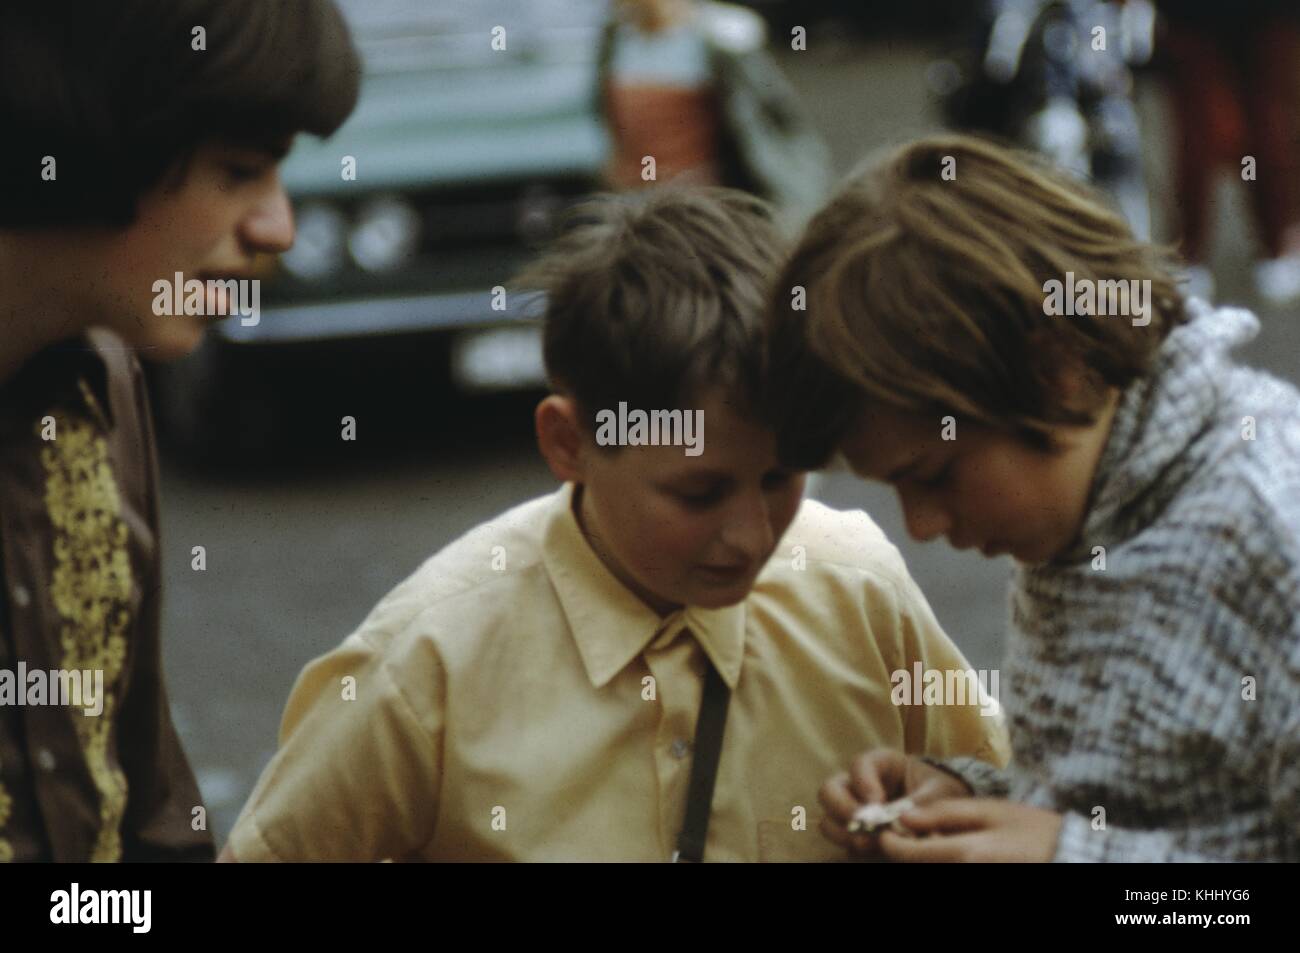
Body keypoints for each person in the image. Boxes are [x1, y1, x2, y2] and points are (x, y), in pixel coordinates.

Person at [220, 188, 1007, 862]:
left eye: (780, 479)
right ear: (570, 443)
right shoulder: (425, 662)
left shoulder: (861, 595)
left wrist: (944, 806)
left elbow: (1014, 803)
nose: (749, 535)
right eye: (698, 493)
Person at [768, 134, 1300, 861]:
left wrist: (1073, 857)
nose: (920, 526)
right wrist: (971, 798)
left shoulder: (1271, 524)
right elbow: (1132, 803)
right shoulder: (1085, 501)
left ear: (1053, 368)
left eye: (934, 474)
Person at [0, 1, 359, 861]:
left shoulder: (105, 388)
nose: (278, 228)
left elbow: (147, 806)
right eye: (238, 171)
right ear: (94, 134)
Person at [597, 0, 831, 228]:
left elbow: (782, 116)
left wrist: (794, 183)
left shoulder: (722, 39)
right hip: (635, 199)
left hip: (704, 200)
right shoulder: (616, 40)